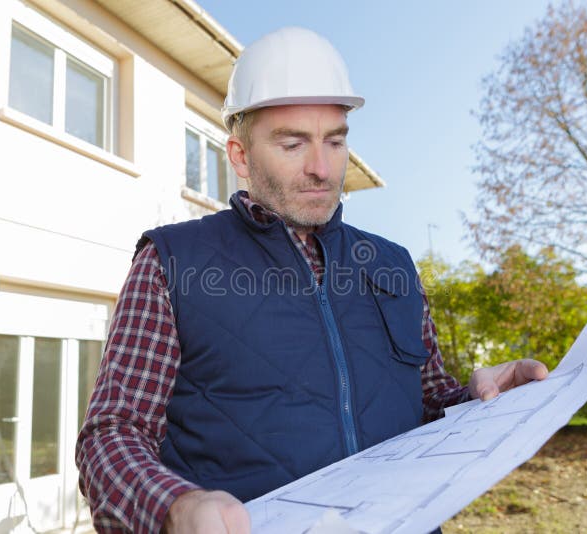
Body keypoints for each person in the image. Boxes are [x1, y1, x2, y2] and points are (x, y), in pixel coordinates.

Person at [76, 27, 548, 534]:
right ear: (240, 155)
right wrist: (175, 506)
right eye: (293, 143)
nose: (322, 168)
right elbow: (111, 435)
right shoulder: (172, 262)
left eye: (335, 141)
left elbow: (429, 399)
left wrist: (478, 401)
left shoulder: (393, 264)